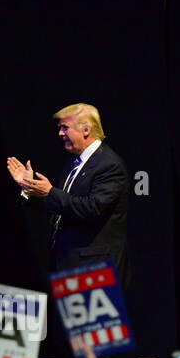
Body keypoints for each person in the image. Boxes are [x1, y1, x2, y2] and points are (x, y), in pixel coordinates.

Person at [7, 102, 130, 286]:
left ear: (86, 130)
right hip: (67, 265)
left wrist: (50, 192)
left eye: (65, 127)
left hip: (93, 270)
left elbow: (92, 209)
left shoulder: (109, 165)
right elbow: (60, 205)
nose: (60, 133)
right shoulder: (74, 163)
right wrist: (29, 187)